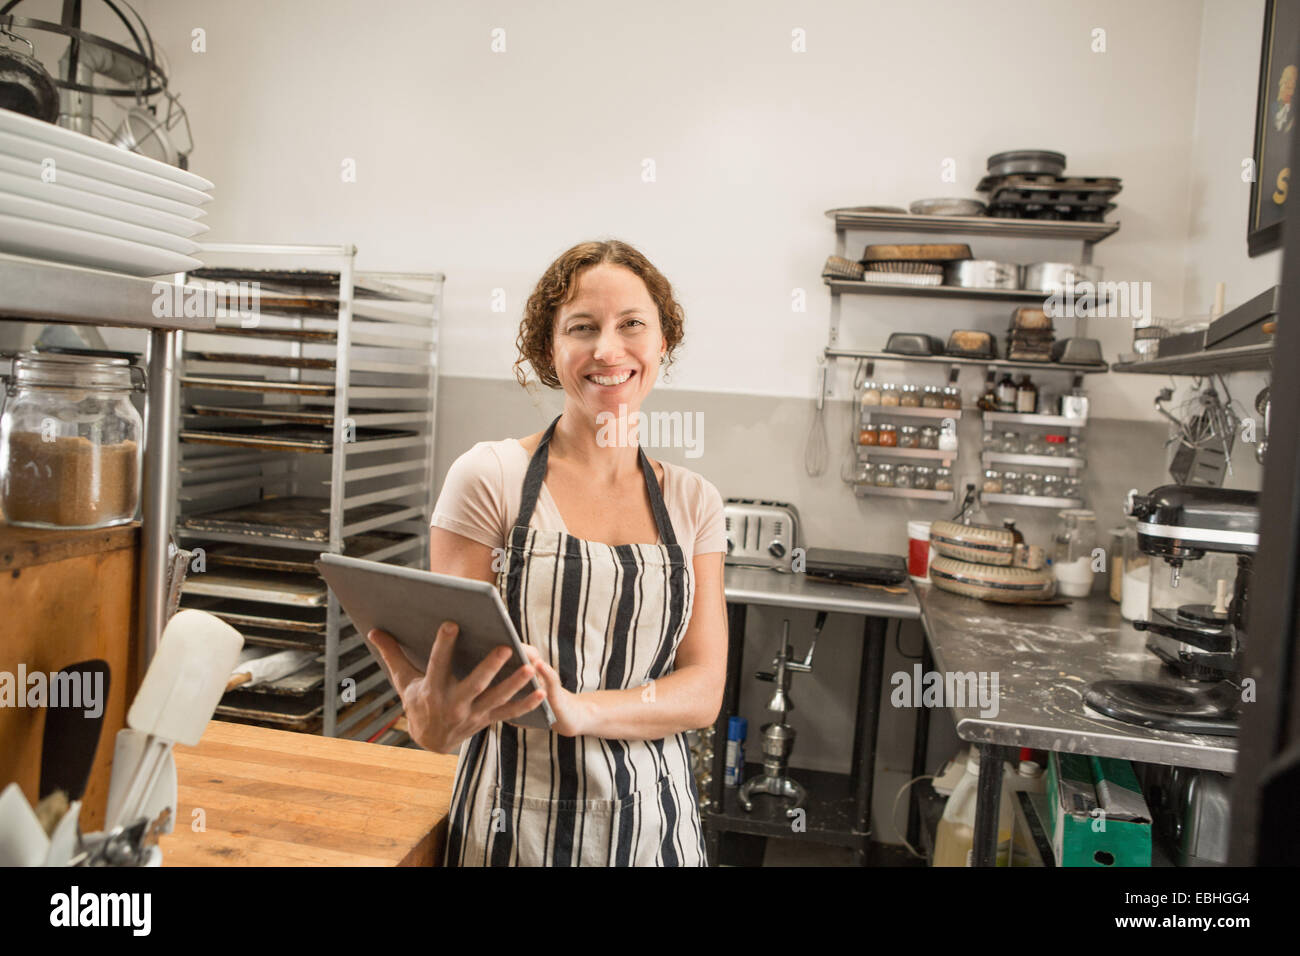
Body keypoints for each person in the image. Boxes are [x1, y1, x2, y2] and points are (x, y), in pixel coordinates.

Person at [368, 239, 728, 866]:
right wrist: (434, 722)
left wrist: (577, 710)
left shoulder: (695, 502)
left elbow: (701, 690)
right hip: (505, 825)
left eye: (632, 325)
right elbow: (447, 683)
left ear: (662, 343)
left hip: (653, 828)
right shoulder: (490, 478)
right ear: (549, 350)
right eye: (582, 328)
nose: (607, 350)